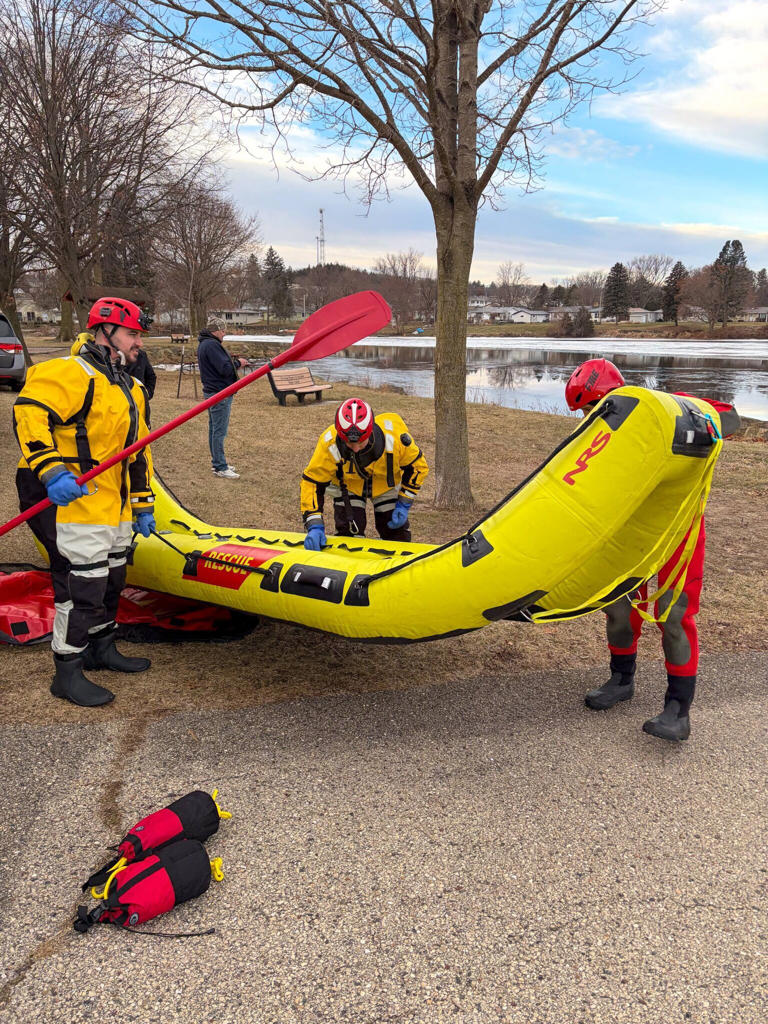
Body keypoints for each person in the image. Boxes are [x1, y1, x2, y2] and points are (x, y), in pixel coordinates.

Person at [13, 297, 156, 708]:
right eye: (131, 334)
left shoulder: (132, 387)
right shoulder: (68, 372)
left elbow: (139, 450)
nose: (137, 343)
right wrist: (52, 471)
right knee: (83, 584)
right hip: (69, 495)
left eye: (138, 336)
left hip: (115, 498)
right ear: (104, 332)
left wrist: (143, 503)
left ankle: (100, 647)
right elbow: (29, 413)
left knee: (114, 577)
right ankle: (67, 669)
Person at [564, 358, 712, 742]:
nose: (591, 418)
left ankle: (678, 709)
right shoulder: (596, 438)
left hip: (678, 530)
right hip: (630, 533)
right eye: (584, 413)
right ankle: (621, 679)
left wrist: (700, 420)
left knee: (673, 616)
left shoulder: (668, 406)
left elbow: (723, 419)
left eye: (594, 409)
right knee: (616, 607)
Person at [300, 397, 429, 548]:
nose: (355, 448)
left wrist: (404, 503)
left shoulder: (395, 438)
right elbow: (312, 482)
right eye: (349, 443)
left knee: (396, 535)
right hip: (347, 486)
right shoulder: (329, 444)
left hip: (385, 484)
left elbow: (418, 467)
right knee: (349, 534)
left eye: (361, 443)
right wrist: (314, 524)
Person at [197, 316, 248, 479]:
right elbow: (225, 369)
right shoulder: (212, 345)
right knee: (219, 431)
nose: (224, 333)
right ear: (216, 330)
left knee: (214, 429)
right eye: (223, 330)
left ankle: (217, 462)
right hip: (220, 393)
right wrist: (239, 363)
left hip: (213, 392)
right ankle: (220, 466)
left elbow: (221, 364)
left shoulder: (205, 344)